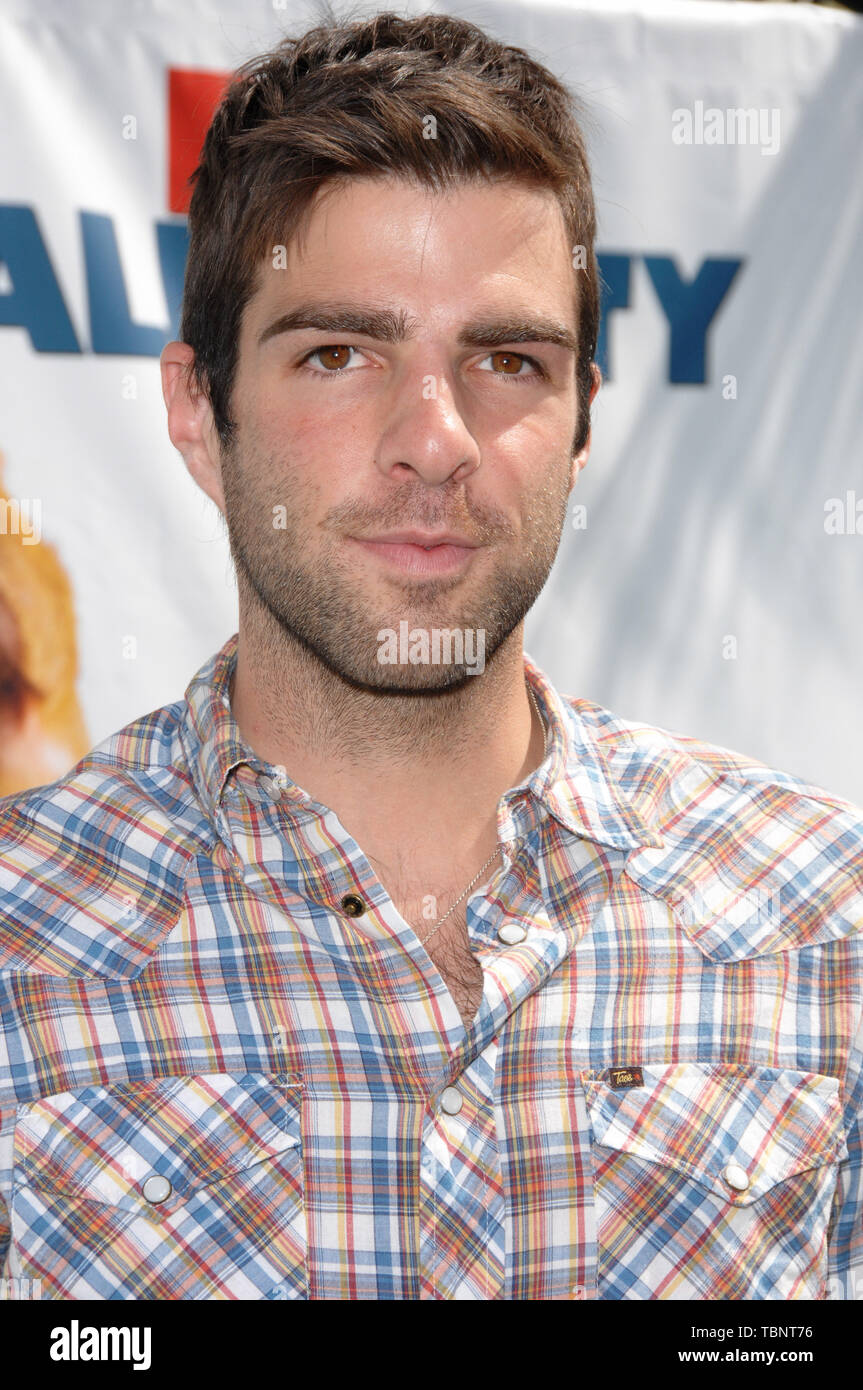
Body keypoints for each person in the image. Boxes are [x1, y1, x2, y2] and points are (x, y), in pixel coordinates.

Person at [1, 9, 860, 1302]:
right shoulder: (23, 945)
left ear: (580, 425)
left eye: (507, 359)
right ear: (198, 411)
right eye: (340, 353)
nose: (435, 438)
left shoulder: (824, 920)